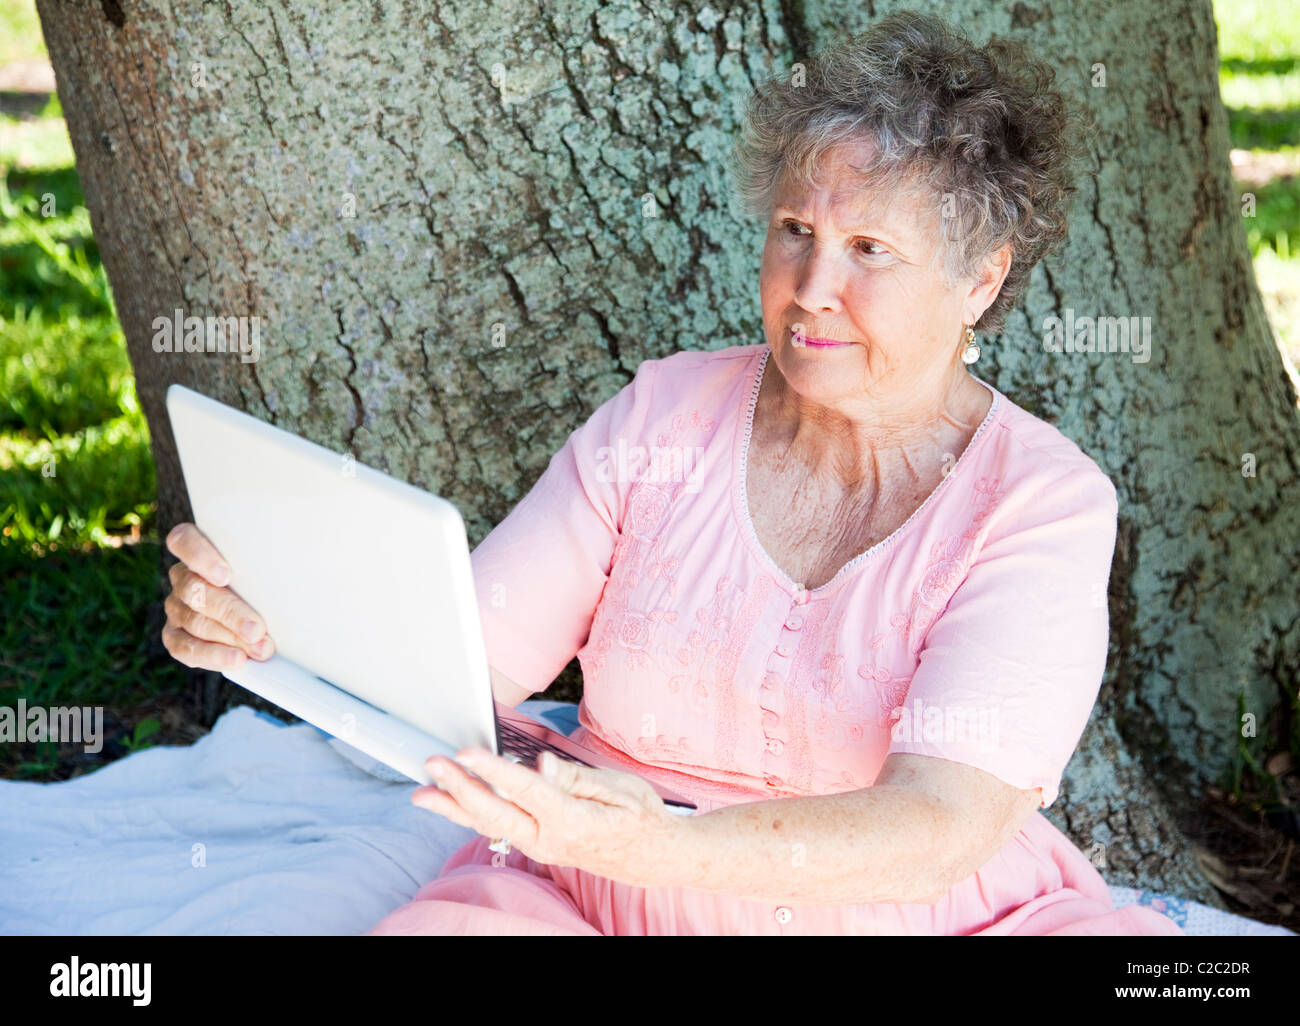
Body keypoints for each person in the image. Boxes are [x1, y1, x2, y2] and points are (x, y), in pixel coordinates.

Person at [161, 11, 1183, 935]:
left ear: (981, 277)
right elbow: (457, 668)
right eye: (795, 233)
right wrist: (268, 626)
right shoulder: (665, 413)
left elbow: (939, 824)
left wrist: (661, 846)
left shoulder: (1041, 502)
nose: (812, 289)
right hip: (592, 898)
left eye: (869, 248)